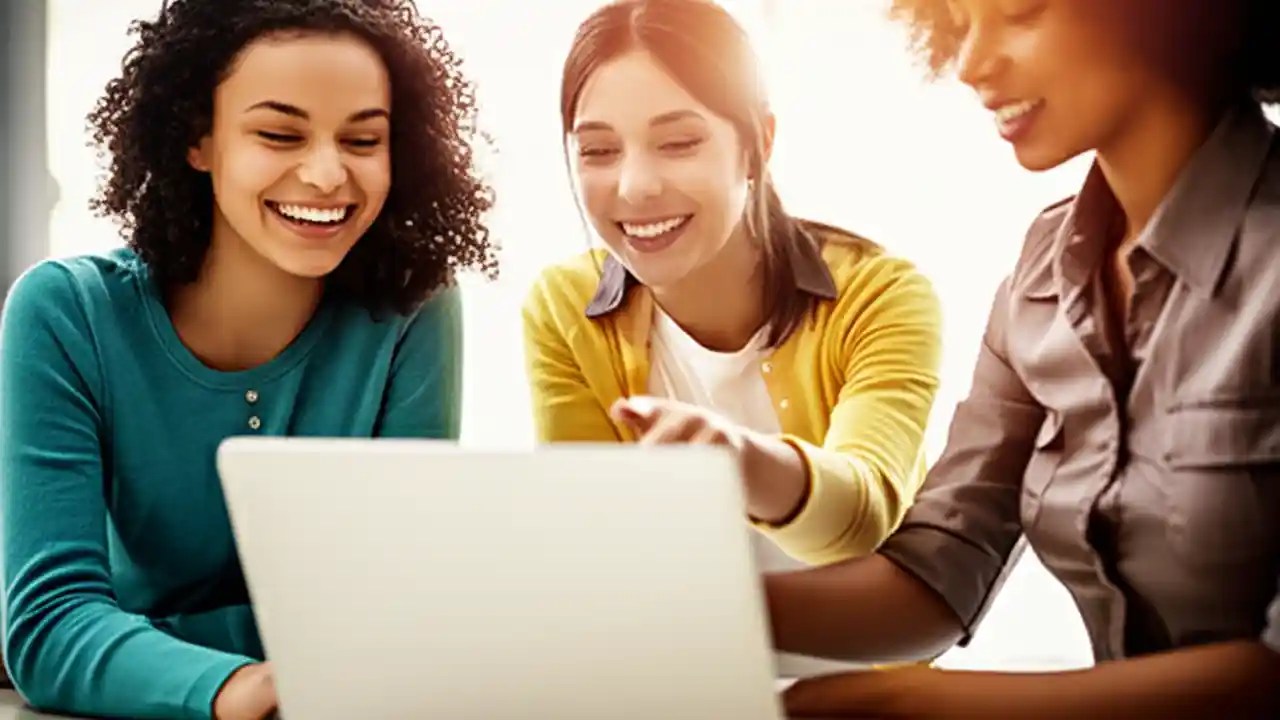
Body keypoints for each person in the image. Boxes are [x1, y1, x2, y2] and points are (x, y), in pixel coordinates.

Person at [767, 0, 1280, 717]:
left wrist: (929, 705)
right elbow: (938, 574)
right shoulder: (1042, 274)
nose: (972, 65)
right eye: (959, 22)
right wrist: (709, 610)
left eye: (1018, 12)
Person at [0, 1, 496, 718]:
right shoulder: (64, 314)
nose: (328, 175)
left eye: (363, 140)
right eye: (278, 133)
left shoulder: (412, 311)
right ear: (196, 138)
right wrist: (246, 684)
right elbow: (47, 629)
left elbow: (397, 608)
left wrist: (147, 643)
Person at [523, 0, 943, 573]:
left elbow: (864, 519)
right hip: (670, 657)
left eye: (678, 143)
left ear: (758, 144)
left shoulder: (879, 295)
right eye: (598, 151)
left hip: (863, 659)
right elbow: (596, 548)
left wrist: (740, 461)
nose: (635, 186)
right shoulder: (563, 307)